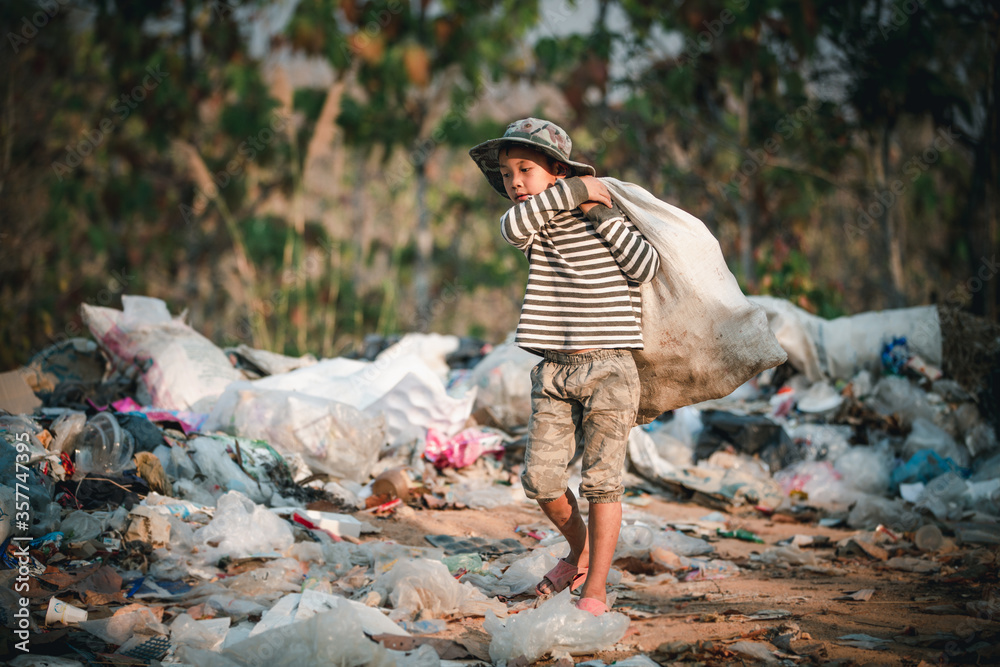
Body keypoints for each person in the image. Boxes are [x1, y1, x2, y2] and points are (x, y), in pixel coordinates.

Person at [469, 118, 659, 616]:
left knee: (602, 483)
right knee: (541, 481)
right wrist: (577, 189)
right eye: (507, 174)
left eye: (525, 169)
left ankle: (595, 589)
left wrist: (597, 210)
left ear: (556, 169)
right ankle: (580, 551)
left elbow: (645, 267)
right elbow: (511, 227)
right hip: (555, 370)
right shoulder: (533, 224)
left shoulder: (603, 216)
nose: (514, 182)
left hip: (610, 368)